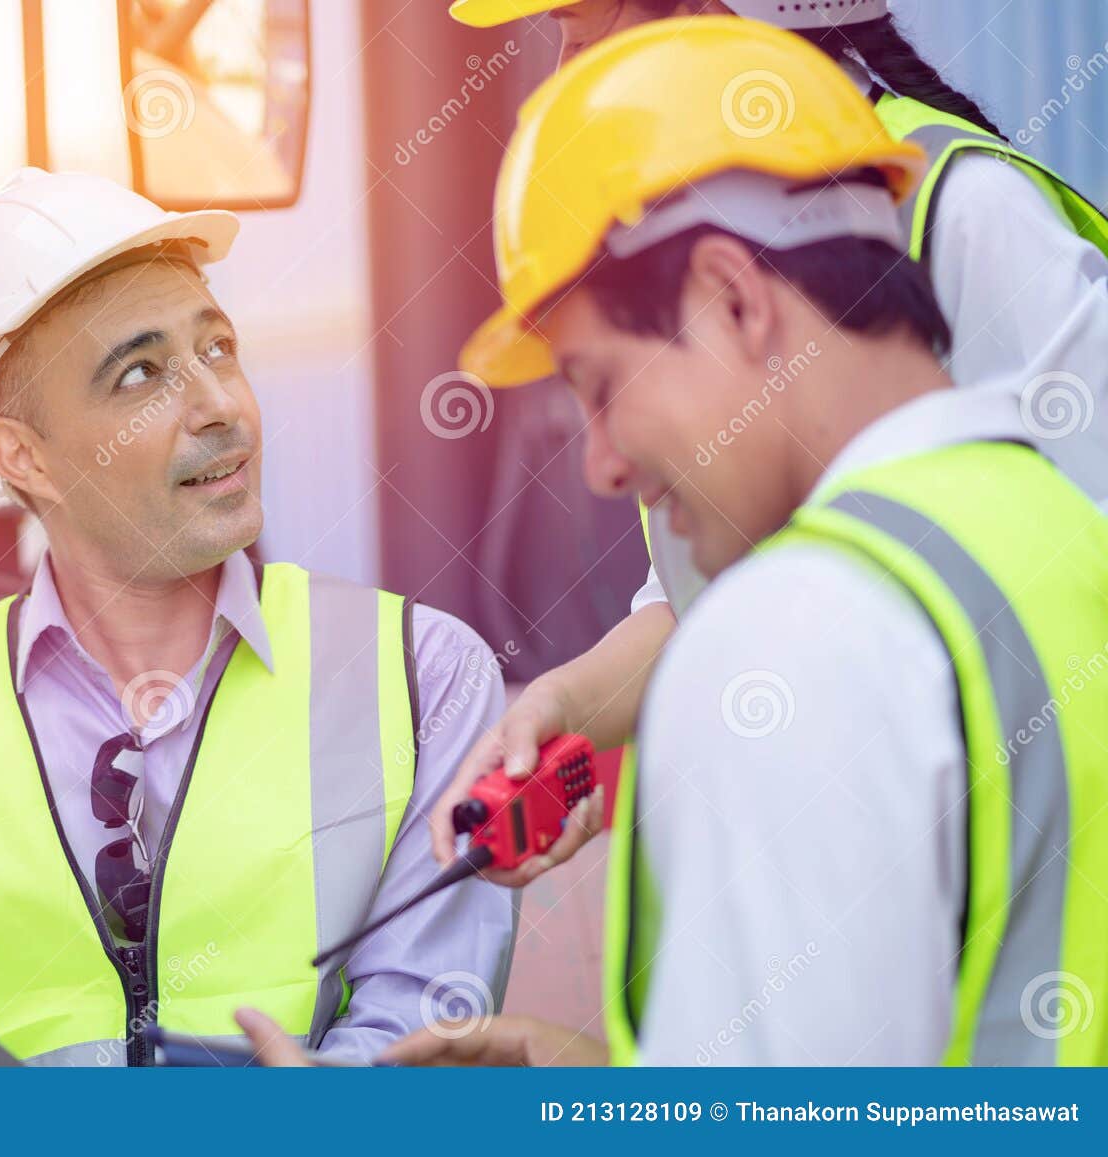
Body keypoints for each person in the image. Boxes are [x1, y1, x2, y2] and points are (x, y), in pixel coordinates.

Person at [248, 17, 1108, 1065]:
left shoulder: (796, 638)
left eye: (603, 387)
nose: (602, 465)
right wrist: (595, 1078)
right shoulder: (1040, 531)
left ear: (736, 299)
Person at [0, 168, 516, 1065]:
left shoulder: (423, 678)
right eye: (142, 374)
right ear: (24, 456)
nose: (221, 406)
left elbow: (430, 1035)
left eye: (218, 348)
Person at [434, 0, 1108, 881]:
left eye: (584, 36)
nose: (566, 79)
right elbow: (698, 596)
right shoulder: (709, 242)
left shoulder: (964, 212)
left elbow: (1075, 569)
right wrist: (561, 706)